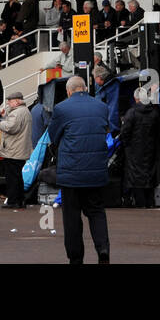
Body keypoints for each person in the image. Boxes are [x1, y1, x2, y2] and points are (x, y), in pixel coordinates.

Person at [49, 76, 111, 263]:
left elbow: (54, 135)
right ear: (85, 88)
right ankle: (103, 248)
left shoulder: (61, 108)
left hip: (71, 172)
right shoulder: (101, 106)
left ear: (69, 91)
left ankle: (76, 257)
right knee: (96, 212)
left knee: (72, 217)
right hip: (96, 171)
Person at [0, 90, 31, 209]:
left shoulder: (17, 113)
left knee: (12, 177)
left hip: (13, 150)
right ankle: (20, 200)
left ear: (17, 101)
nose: (9, 103)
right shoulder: (25, 111)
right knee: (17, 176)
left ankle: (13, 200)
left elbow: (11, 127)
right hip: (20, 148)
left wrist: (0, 123)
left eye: (10, 101)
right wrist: (6, 117)